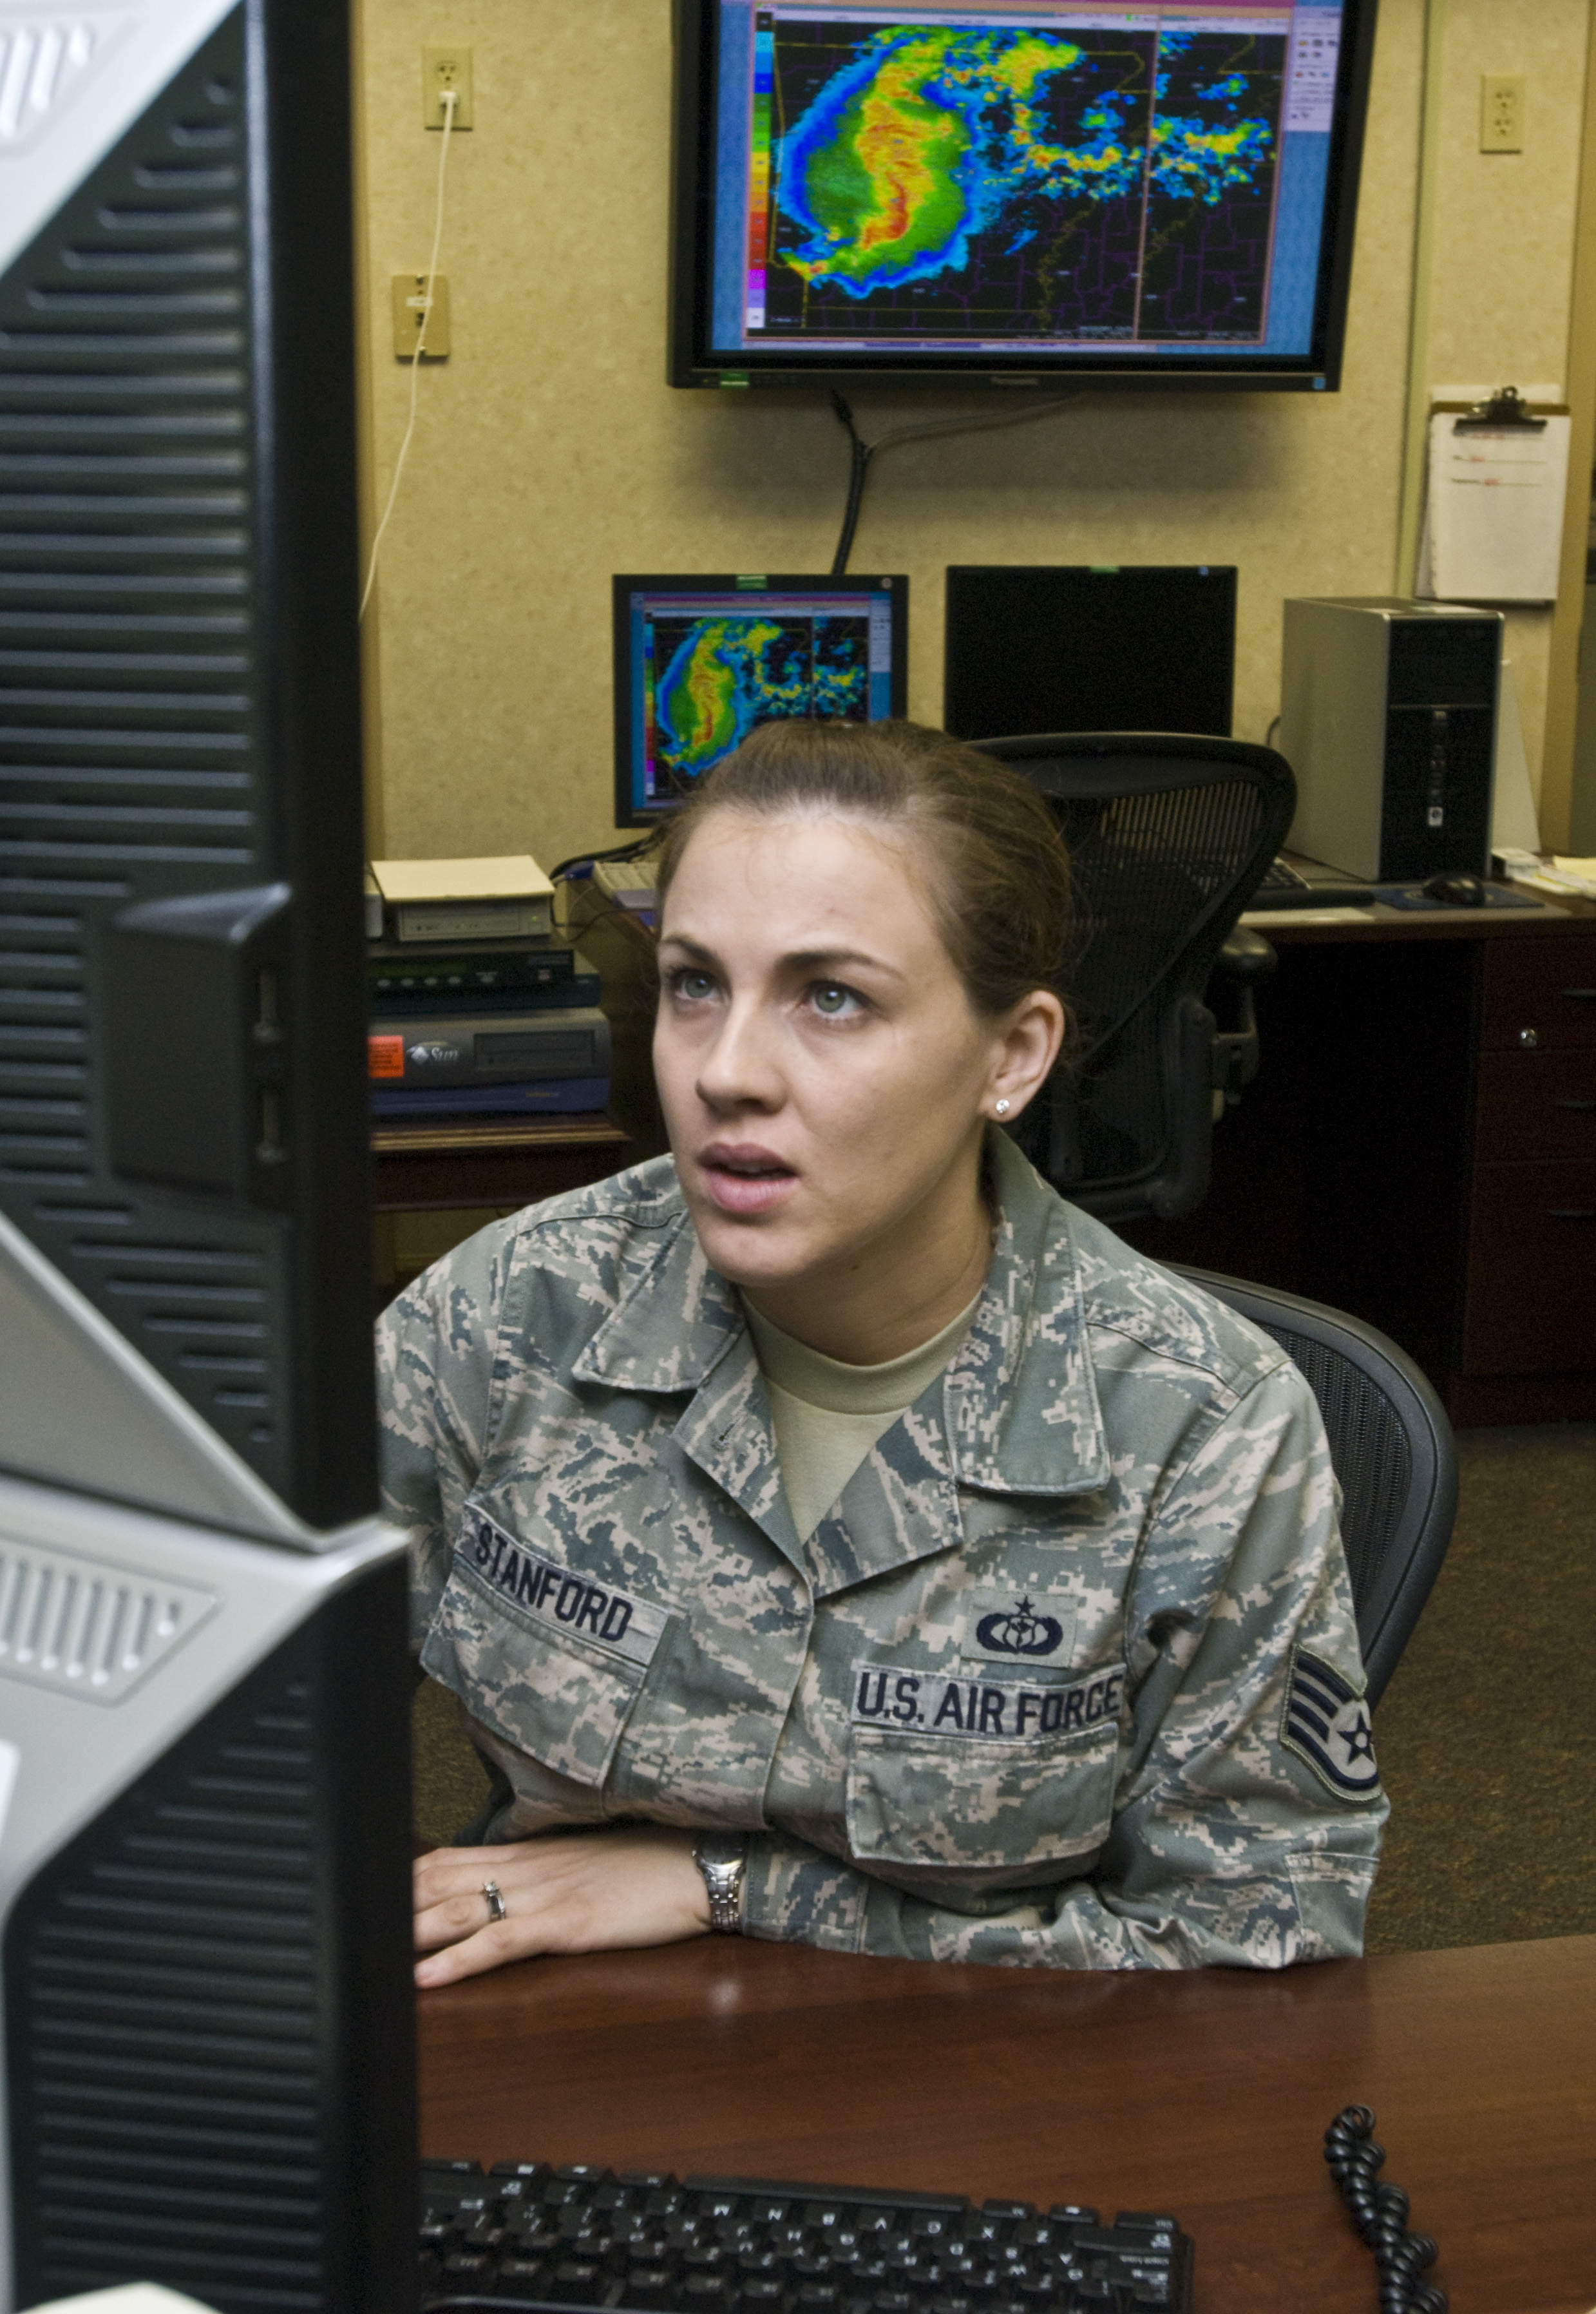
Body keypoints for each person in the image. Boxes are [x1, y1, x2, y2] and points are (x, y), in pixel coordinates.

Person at [379, 718, 1386, 1989]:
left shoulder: (1199, 1423)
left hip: (997, 2101)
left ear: (1011, 1055)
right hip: (573, 2059)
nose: (727, 1071)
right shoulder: (508, 1314)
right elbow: (219, 1724)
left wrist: (728, 1888)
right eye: (696, 982)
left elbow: (1261, 1935)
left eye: (832, 996)